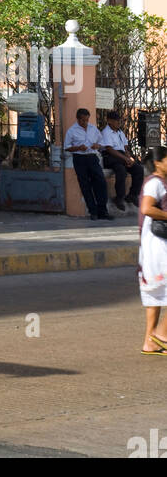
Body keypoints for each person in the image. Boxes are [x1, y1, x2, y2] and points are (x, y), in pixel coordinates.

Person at [138, 146, 167, 354]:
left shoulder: (159, 182)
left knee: (155, 296)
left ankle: (150, 342)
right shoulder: (155, 183)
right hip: (157, 245)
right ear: (158, 162)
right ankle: (162, 335)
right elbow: (147, 208)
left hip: (155, 245)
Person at [64, 107, 113, 222]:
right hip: (79, 159)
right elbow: (67, 147)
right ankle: (93, 211)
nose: (85, 123)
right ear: (78, 119)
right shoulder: (71, 131)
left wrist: (97, 145)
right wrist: (78, 148)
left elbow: (102, 142)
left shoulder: (93, 129)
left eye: (86, 120)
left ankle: (103, 210)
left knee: (100, 182)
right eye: (82, 120)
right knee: (85, 185)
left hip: (92, 157)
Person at [99, 110, 144, 212]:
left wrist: (128, 157)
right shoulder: (106, 132)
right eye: (116, 120)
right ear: (109, 121)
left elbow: (125, 146)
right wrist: (125, 159)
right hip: (110, 156)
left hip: (121, 156)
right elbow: (110, 149)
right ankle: (119, 198)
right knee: (121, 170)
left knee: (138, 169)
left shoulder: (120, 132)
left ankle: (132, 195)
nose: (119, 122)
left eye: (119, 120)